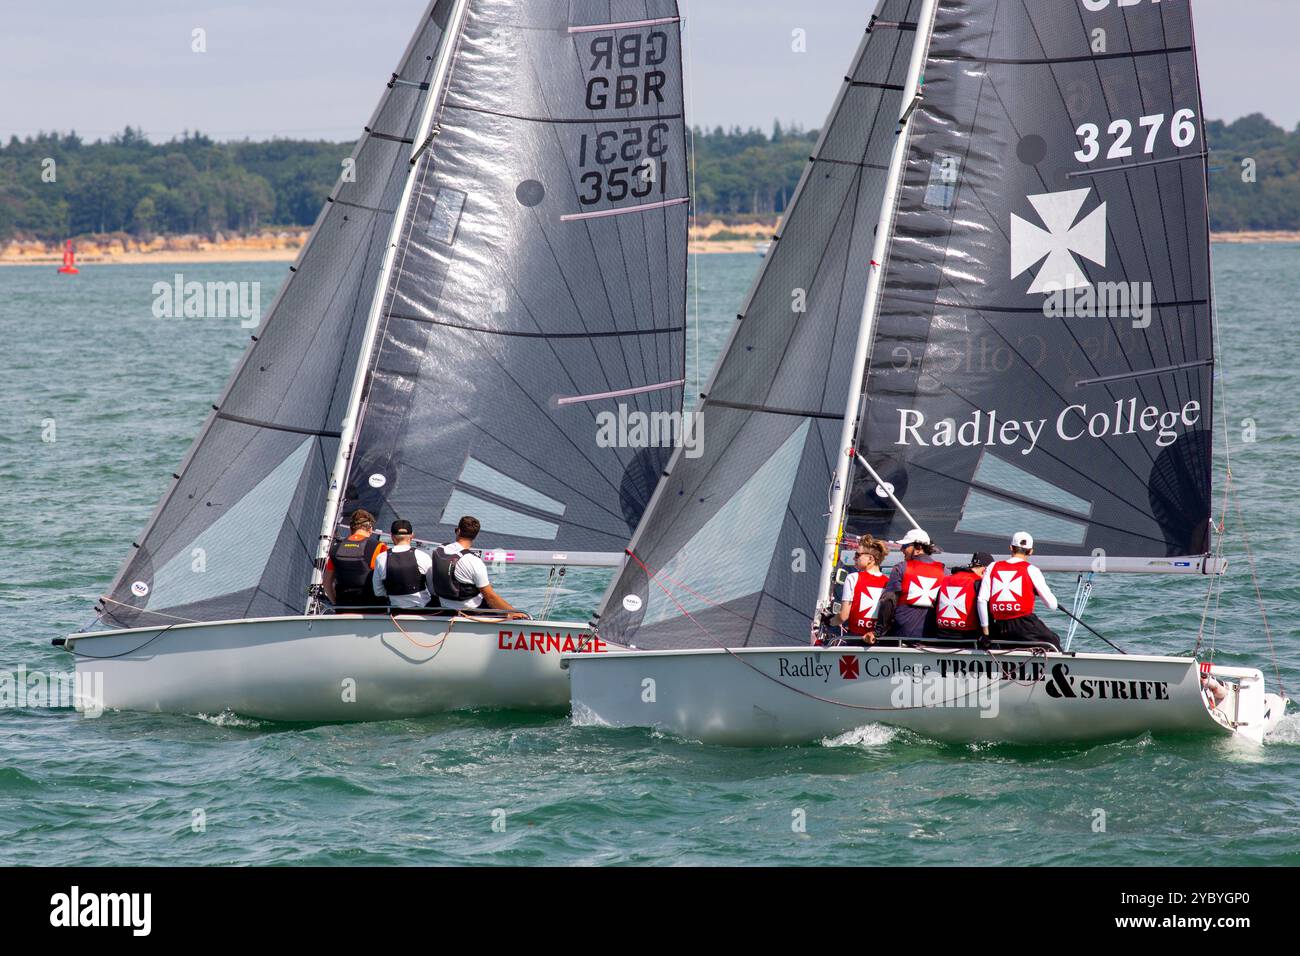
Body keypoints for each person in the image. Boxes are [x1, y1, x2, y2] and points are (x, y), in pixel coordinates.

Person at [428, 515, 528, 620]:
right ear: (475, 536)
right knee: (511, 612)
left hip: (444, 607)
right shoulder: (473, 561)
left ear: (458, 531)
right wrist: (513, 612)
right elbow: (490, 598)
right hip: (471, 611)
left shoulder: (439, 550)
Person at [978, 531, 1062, 650]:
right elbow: (1052, 605)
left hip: (1000, 626)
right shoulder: (1032, 570)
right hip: (1024, 625)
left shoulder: (992, 567)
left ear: (1011, 548)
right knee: (1053, 640)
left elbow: (981, 600)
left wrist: (986, 633)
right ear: (1031, 551)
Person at [884, 528, 944, 639]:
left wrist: (879, 631)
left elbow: (888, 601)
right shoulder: (945, 572)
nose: (902, 549)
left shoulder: (900, 568)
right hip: (933, 639)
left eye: (905, 546)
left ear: (918, 548)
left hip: (900, 637)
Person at [323, 509, 386, 608]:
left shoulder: (335, 548)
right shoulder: (378, 547)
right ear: (370, 528)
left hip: (343, 607)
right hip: (372, 609)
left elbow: (326, 582)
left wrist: (335, 603)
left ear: (351, 529)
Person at [838, 536, 893, 646]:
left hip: (855, 639)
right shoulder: (889, 582)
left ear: (871, 559)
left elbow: (843, 616)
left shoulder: (853, 578)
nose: (854, 558)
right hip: (878, 640)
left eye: (857, 555)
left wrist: (832, 621)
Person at [372, 519, 433, 609]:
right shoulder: (423, 556)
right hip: (423, 610)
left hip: (394, 611)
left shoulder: (381, 558)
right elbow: (433, 589)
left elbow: (378, 592)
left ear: (392, 536)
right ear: (412, 536)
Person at [934, 552, 993, 642]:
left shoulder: (946, 579)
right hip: (967, 638)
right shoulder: (978, 583)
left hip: (941, 636)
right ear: (984, 570)